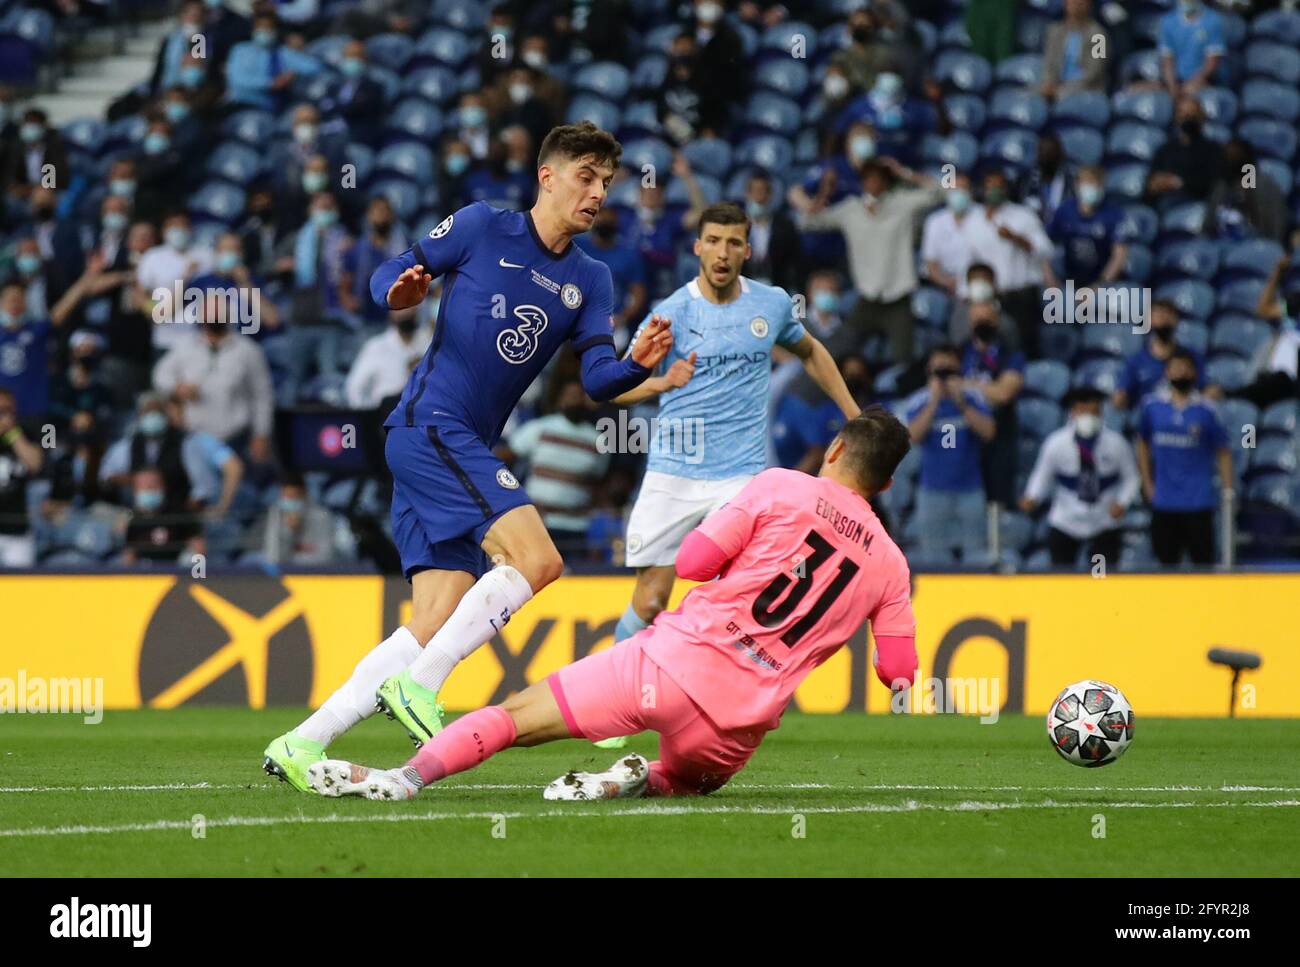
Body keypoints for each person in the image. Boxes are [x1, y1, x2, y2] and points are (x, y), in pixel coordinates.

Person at [260, 122, 673, 792]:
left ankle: (302, 740)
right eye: (586, 177)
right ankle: (421, 687)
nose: (597, 193)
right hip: (431, 427)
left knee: (430, 620)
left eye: (607, 182)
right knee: (539, 560)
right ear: (548, 174)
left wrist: (635, 367)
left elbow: (597, 379)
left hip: (452, 446)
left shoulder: (591, 280)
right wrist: (398, 293)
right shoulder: (483, 227)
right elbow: (389, 271)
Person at [304, 409, 919, 802]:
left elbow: (691, 564)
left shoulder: (780, 485)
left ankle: (402, 780)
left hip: (667, 667)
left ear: (834, 450)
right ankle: (627, 778)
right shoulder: (891, 565)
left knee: (516, 718)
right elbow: (897, 672)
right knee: (683, 782)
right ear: (887, 484)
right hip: (735, 729)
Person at [606, 200, 860, 752]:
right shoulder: (671, 313)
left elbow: (811, 350)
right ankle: (611, 696)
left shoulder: (769, 305)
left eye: (734, 243)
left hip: (743, 478)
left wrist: (853, 415)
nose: (723, 253)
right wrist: (662, 382)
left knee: (745, 597)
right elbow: (614, 385)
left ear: (748, 249)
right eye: (713, 241)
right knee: (650, 601)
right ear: (697, 247)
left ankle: (723, 707)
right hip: (674, 472)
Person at [789, 156, 942, 364]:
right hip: (867, 298)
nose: (873, 184)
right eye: (868, 179)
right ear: (862, 183)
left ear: (886, 182)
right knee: (843, 353)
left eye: (878, 178)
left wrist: (903, 171)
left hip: (899, 297)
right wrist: (823, 193)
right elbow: (808, 223)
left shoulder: (902, 203)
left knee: (904, 360)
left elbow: (939, 192)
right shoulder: (850, 210)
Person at [1021, 387, 1140, 568]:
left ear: (1101, 413)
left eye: (1093, 412)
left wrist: (1122, 502)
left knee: (1100, 579)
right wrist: (1033, 496)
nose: (1088, 416)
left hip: (1103, 522)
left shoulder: (1116, 444)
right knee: (1062, 580)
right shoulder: (1056, 443)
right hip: (1065, 521)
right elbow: (1042, 475)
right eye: (1082, 411)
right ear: (1072, 413)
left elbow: (1131, 478)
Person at [1136, 350, 1232, 566]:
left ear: (1195, 373)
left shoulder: (1207, 410)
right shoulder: (1152, 407)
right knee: (1166, 567)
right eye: (1176, 367)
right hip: (1164, 501)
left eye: (1186, 368)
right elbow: (1142, 442)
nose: (1182, 372)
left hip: (1198, 502)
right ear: (1167, 372)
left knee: (1203, 566)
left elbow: (1223, 451)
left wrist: (1228, 491)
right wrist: (1147, 482)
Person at [903, 344, 996, 566]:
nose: (944, 378)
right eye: (939, 372)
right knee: (934, 558)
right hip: (932, 490)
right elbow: (912, 436)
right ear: (929, 373)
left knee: (976, 556)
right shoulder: (919, 400)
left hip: (970, 489)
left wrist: (960, 401)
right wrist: (934, 400)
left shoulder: (973, 398)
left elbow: (988, 432)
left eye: (949, 372)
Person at [497, 380, 609, 557]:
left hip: (577, 526)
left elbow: (598, 484)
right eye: (570, 396)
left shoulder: (598, 441)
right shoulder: (540, 428)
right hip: (538, 522)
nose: (574, 401)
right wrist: (514, 501)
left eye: (579, 396)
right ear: (560, 399)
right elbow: (502, 460)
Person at [0, 387, 43, 566]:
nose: (3, 416)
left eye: (7, 410)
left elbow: (35, 465)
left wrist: (13, 434)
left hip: (17, 532)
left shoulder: (25, 433)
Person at [1040, 0, 1111, 101]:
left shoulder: (1099, 35)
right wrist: (1048, 84)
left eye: (1081, 1)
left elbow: (1094, 73)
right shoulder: (1054, 31)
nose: (1077, 3)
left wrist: (1061, 90)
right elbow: (1048, 64)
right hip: (1055, 88)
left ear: (1089, 5)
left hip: (1088, 92)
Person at [1158, 0, 1224, 100]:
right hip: (1177, 80)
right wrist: (1172, 87)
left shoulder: (1213, 20)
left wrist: (1194, 82)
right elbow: (1167, 61)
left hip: (1204, 80)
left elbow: (1212, 61)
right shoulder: (1167, 21)